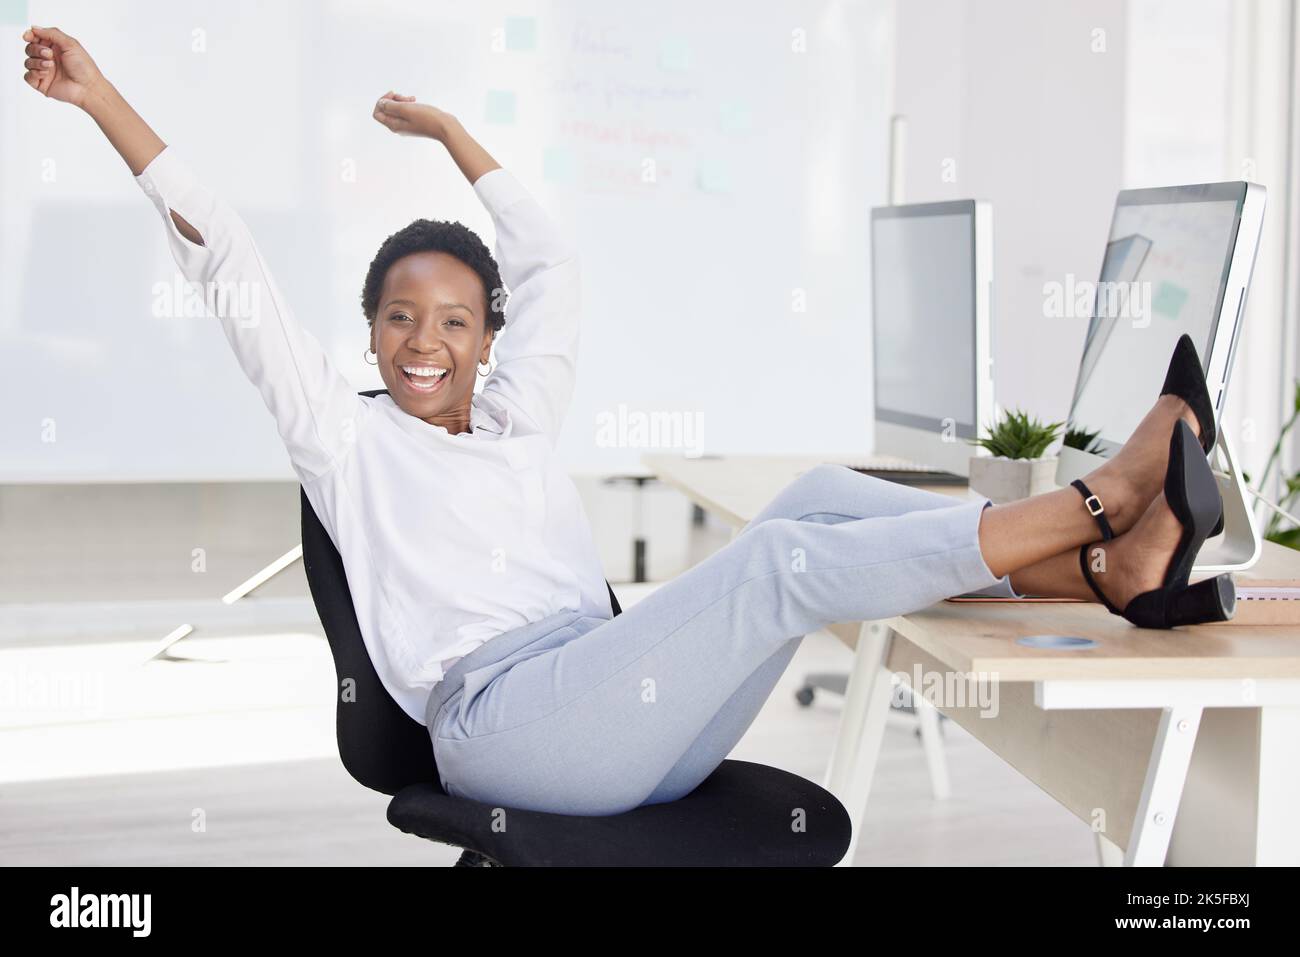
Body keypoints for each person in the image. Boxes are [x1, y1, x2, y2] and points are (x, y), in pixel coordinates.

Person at [21, 24, 1233, 817]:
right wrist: (102, 101)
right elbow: (223, 257)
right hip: (508, 734)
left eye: (452, 322)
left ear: (488, 337)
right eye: (398, 321)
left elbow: (552, 262)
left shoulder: (514, 413)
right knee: (782, 558)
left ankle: (1098, 573)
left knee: (808, 499)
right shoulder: (343, 440)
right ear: (369, 333)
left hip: (610, 706)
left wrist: (453, 138)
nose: (424, 345)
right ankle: (1100, 503)